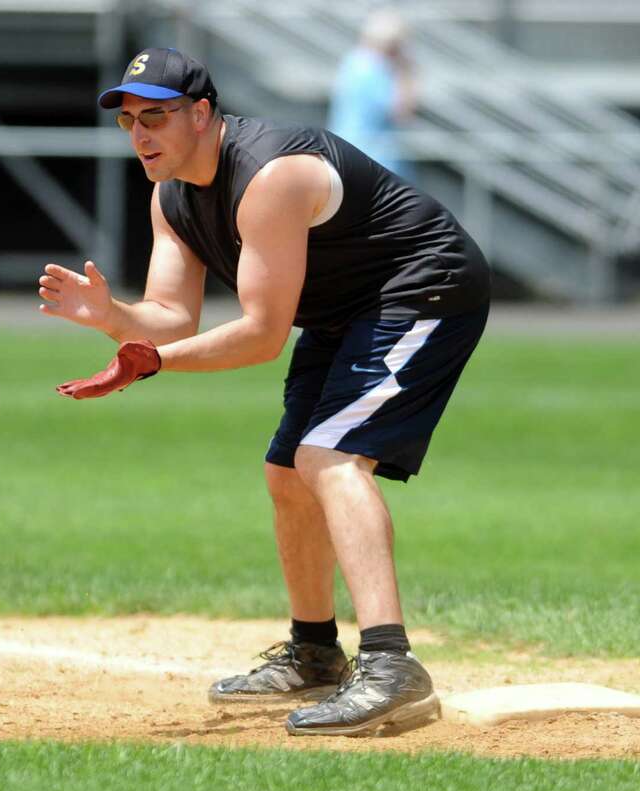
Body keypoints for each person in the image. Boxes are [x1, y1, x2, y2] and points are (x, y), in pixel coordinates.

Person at [38, 47, 490, 737]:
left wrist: (150, 361)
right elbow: (168, 314)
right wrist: (112, 319)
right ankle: (314, 652)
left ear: (201, 113)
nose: (141, 136)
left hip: (424, 285)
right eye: (129, 122)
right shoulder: (172, 196)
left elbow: (261, 335)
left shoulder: (269, 176)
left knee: (329, 457)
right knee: (287, 473)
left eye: (155, 117)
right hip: (345, 309)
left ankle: (392, 664)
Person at [328, 8, 416, 180]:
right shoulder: (375, 69)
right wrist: (406, 72)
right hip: (373, 158)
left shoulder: (352, 62)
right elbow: (401, 112)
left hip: (347, 151)